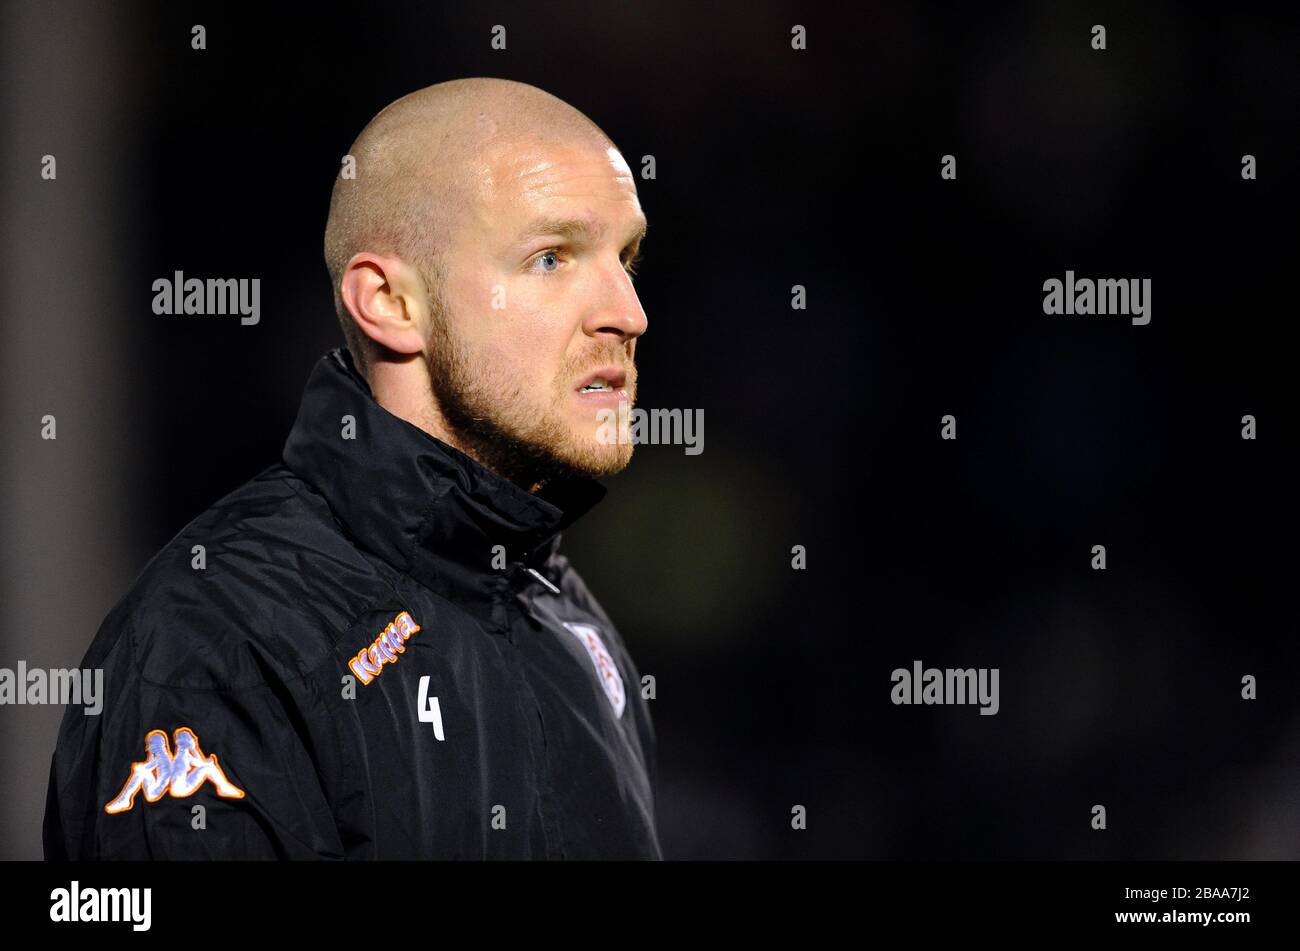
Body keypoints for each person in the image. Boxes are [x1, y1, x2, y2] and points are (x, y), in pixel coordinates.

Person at [43, 77, 661, 859]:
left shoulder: (570, 618)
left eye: (627, 257)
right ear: (390, 302)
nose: (629, 313)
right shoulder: (216, 641)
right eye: (550, 257)